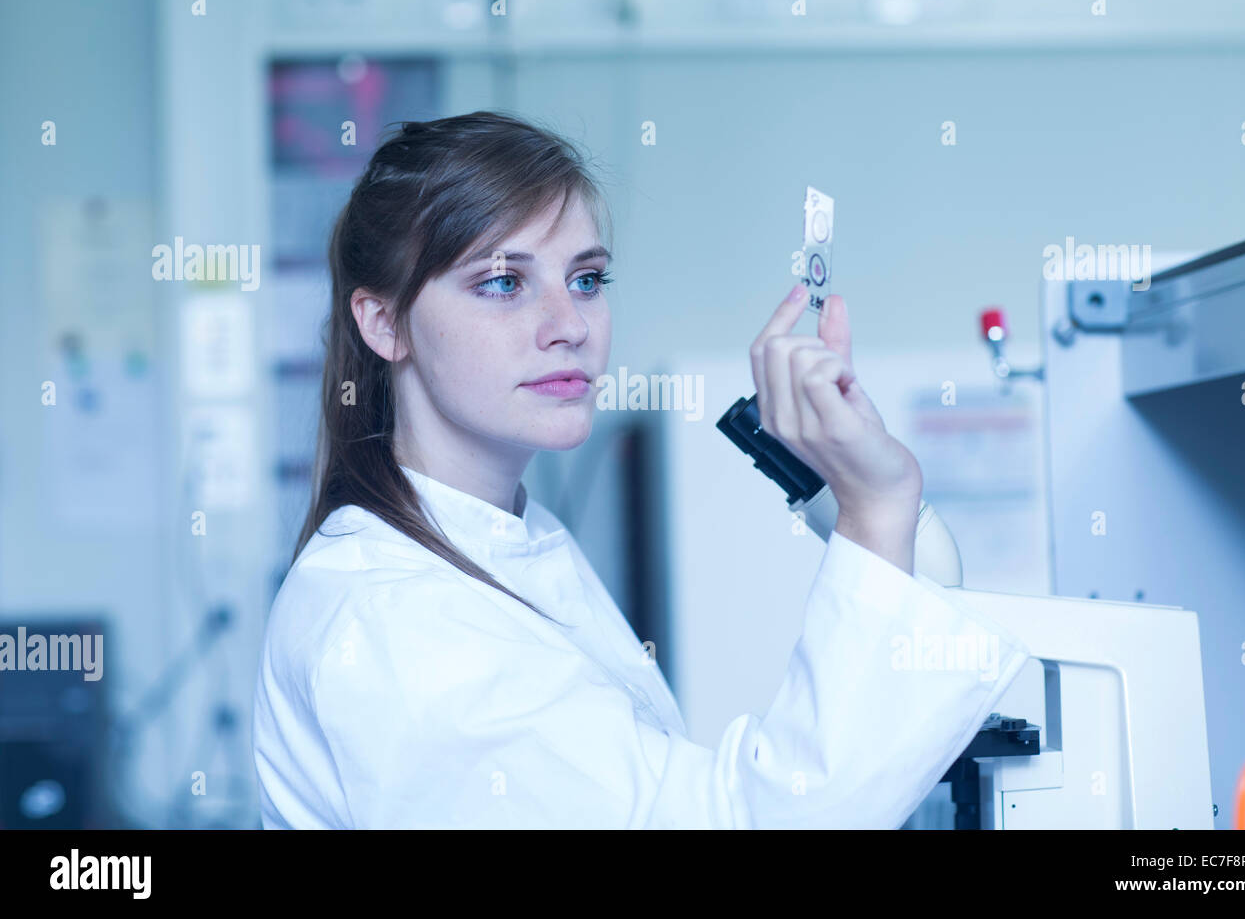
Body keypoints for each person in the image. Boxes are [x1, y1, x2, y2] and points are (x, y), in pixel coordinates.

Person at [252, 110, 1030, 828]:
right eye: (503, 282)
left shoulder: (503, 539)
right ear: (385, 323)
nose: (569, 325)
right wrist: (875, 506)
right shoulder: (398, 622)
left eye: (586, 279)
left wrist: (867, 503)